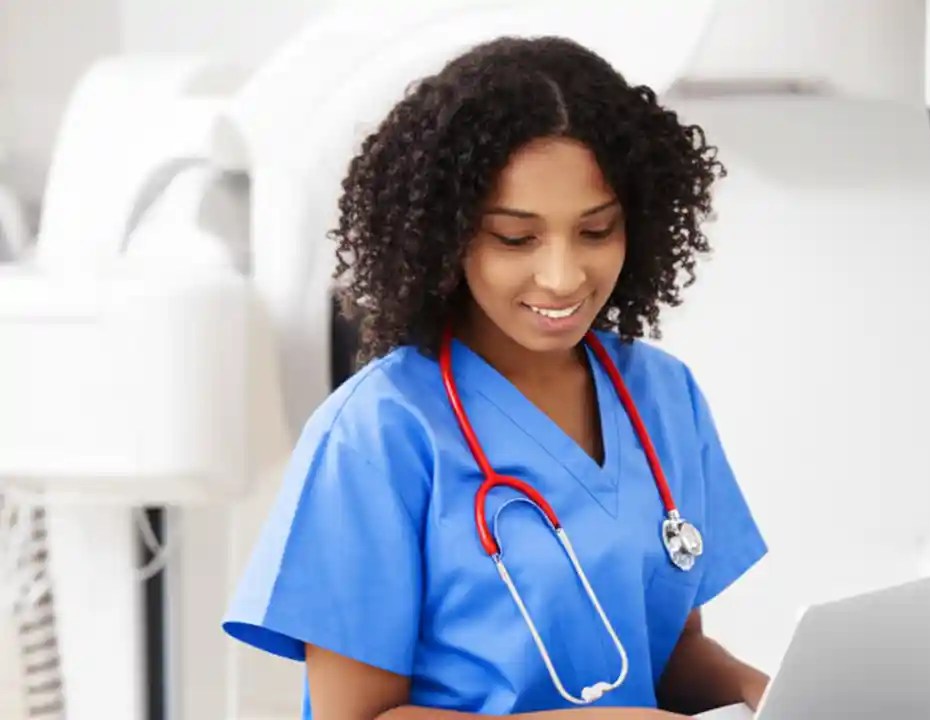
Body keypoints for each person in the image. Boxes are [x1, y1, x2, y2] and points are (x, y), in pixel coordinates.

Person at [222, 34, 769, 720]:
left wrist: (768, 695)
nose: (564, 276)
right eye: (516, 238)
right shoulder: (379, 431)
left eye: (596, 231)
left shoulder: (663, 398)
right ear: (446, 236)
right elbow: (355, 717)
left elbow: (670, 653)